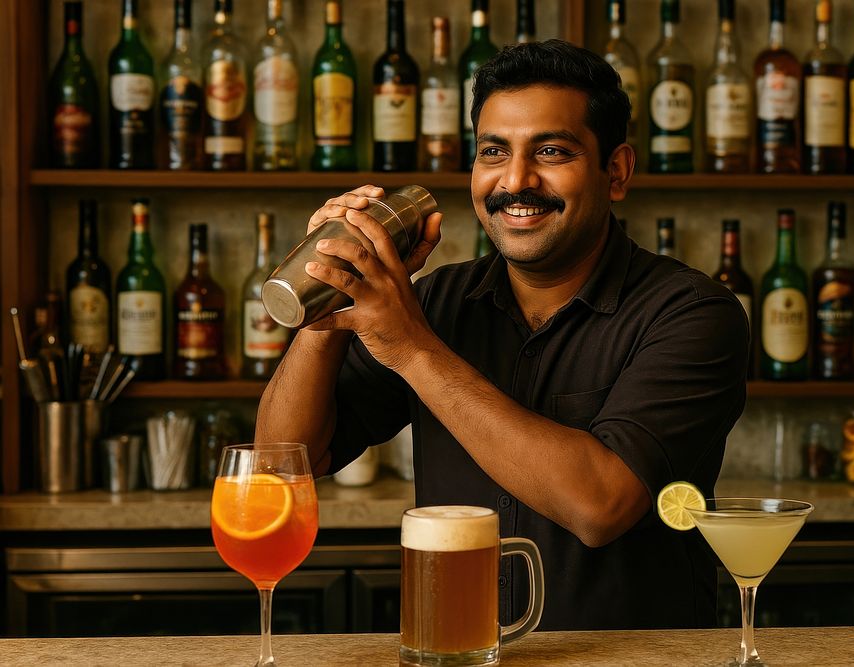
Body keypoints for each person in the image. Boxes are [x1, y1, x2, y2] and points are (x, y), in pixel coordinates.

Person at [256, 39, 748, 631]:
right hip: (457, 648)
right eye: (494, 151)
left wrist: (412, 349)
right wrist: (328, 293)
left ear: (615, 172)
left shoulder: (693, 312)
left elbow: (602, 504)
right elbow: (285, 467)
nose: (516, 180)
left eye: (551, 150)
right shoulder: (435, 302)